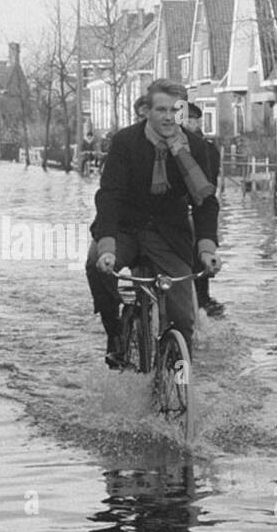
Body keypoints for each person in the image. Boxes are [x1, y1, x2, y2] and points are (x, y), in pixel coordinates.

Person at [86, 79, 221, 366]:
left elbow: (206, 202)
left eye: (176, 110)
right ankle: (116, 335)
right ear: (147, 110)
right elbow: (109, 196)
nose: (169, 117)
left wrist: (207, 249)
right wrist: (107, 247)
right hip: (125, 229)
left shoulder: (195, 147)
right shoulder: (125, 142)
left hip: (169, 236)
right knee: (95, 265)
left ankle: (173, 380)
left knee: (184, 322)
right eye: (161, 109)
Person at [182, 102, 226, 318]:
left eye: (191, 120)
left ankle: (202, 295)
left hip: (196, 204)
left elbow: (209, 185)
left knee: (197, 232)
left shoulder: (206, 149)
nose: (188, 123)